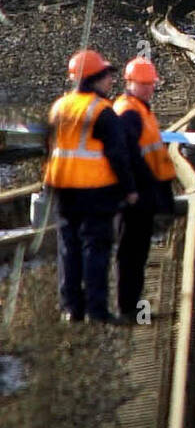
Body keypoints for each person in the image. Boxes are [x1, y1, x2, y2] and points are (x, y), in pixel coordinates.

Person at [44, 50, 138, 325]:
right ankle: (97, 311)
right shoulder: (102, 111)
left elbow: (47, 146)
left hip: (62, 188)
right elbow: (118, 155)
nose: (111, 80)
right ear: (94, 79)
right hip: (94, 190)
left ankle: (71, 309)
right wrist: (129, 188)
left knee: (68, 248)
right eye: (107, 75)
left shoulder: (59, 106)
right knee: (95, 248)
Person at [113, 58, 176, 321]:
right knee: (131, 252)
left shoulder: (139, 108)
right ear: (130, 84)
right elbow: (128, 154)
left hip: (141, 191)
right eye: (145, 84)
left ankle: (132, 303)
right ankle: (128, 307)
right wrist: (141, 187)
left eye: (152, 84)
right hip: (134, 194)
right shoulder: (129, 111)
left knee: (136, 251)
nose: (150, 89)